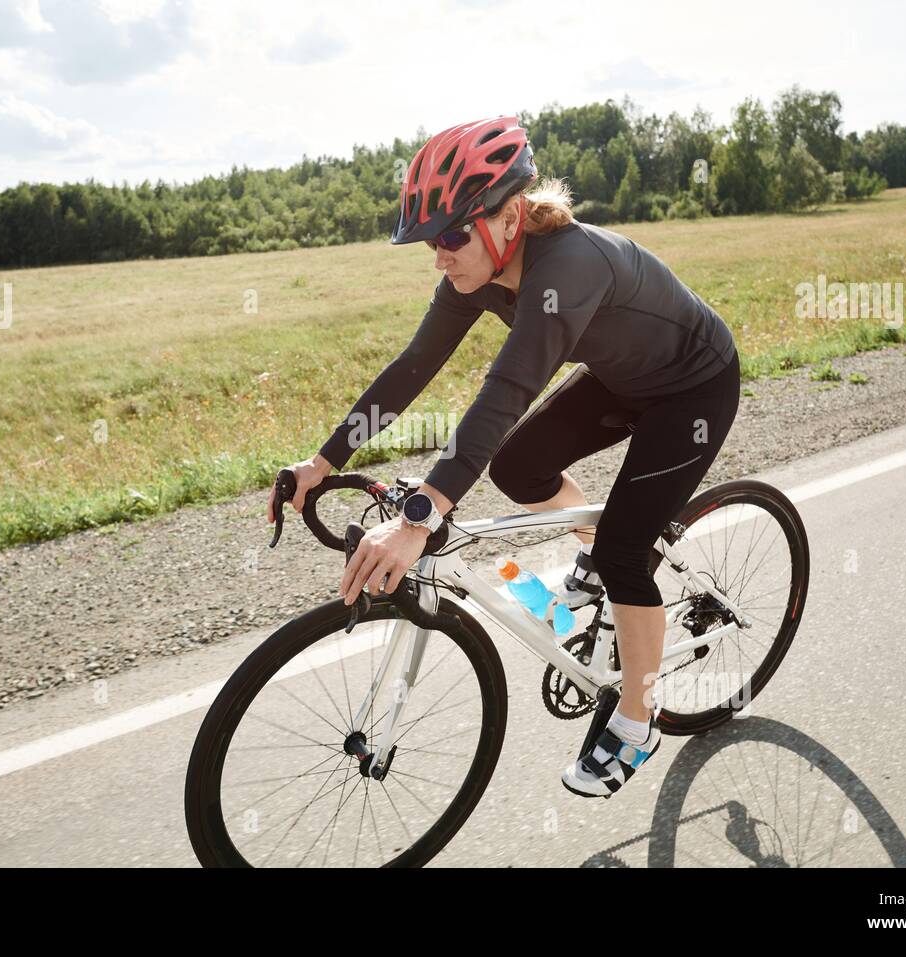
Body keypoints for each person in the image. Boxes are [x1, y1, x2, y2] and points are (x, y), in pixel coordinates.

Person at [266, 115, 740, 799]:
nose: (439, 254)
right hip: (622, 376)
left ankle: (637, 724)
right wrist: (323, 459)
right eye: (432, 239)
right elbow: (412, 368)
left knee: (624, 551)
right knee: (521, 469)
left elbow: (504, 394)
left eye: (452, 234)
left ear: (510, 214)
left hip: (693, 386)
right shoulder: (475, 272)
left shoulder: (567, 268)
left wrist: (420, 515)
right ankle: (598, 555)